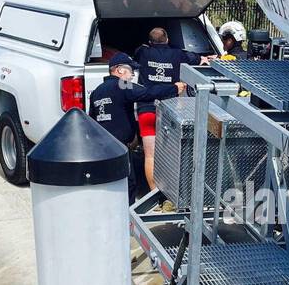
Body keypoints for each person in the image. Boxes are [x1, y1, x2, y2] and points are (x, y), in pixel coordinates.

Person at [87, 52, 185, 201]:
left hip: (101, 148)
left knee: (108, 185)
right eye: (131, 71)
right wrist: (173, 88)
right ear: (119, 70)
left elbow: (91, 120)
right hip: (118, 147)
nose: (132, 75)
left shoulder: (97, 91)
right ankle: (127, 219)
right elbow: (147, 92)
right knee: (129, 184)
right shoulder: (120, 84)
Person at [133, 27, 215, 191]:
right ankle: (170, 192)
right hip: (170, 111)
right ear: (168, 40)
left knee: (150, 155)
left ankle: (153, 192)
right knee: (170, 154)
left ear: (150, 42)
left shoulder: (142, 52)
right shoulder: (178, 54)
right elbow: (197, 59)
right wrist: (206, 58)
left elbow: (136, 54)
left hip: (147, 110)